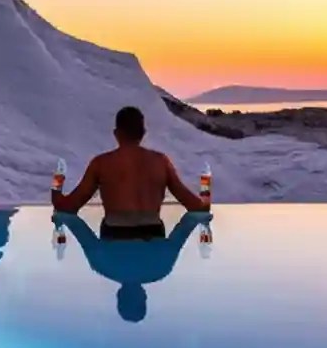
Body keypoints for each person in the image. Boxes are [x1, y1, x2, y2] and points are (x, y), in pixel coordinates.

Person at [51, 106, 209, 239]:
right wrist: (206, 193)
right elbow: (197, 207)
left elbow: (68, 207)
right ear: (143, 133)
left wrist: (57, 182)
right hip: (153, 237)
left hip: (114, 237)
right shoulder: (161, 162)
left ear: (116, 133)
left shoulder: (101, 164)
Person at [53, 211, 209, 322]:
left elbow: (188, 222)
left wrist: (202, 217)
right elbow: (75, 223)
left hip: (151, 198)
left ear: (143, 296)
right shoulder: (101, 266)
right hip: (115, 198)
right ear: (119, 296)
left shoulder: (162, 269)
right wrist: (60, 218)